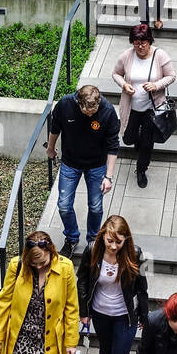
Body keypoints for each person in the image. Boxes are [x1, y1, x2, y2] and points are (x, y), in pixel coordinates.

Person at [77, 214, 150, 354]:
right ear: (103, 236)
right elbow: (82, 280)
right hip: (100, 313)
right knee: (106, 353)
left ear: (126, 240)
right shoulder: (93, 250)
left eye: (119, 242)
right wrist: (84, 311)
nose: (113, 246)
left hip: (125, 315)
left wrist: (145, 315)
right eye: (110, 241)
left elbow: (141, 287)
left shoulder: (136, 255)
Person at [47, 83, 119, 259]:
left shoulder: (108, 112)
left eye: (93, 111)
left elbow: (113, 146)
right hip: (70, 163)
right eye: (86, 111)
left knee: (95, 206)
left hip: (97, 165)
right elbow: (55, 128)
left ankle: (93, 240)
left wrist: (108, 177)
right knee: (64, 205)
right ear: (78, 102)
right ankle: (71, 238)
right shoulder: (65, 105)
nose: (90, 114)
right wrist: (50, 148)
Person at [112, 22, 177, 188]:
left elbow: (171, 76)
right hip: (132, 107)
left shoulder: (160, 55)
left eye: (143, 43)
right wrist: (124, 85)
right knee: (128, 138)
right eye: (136, 43)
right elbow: (116, 73)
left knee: (147, 143)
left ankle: (141, 169)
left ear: (150, 41)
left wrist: (156, 85)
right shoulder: (127, 55)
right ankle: (140, 140)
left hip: (152, 109)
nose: (140, 47)